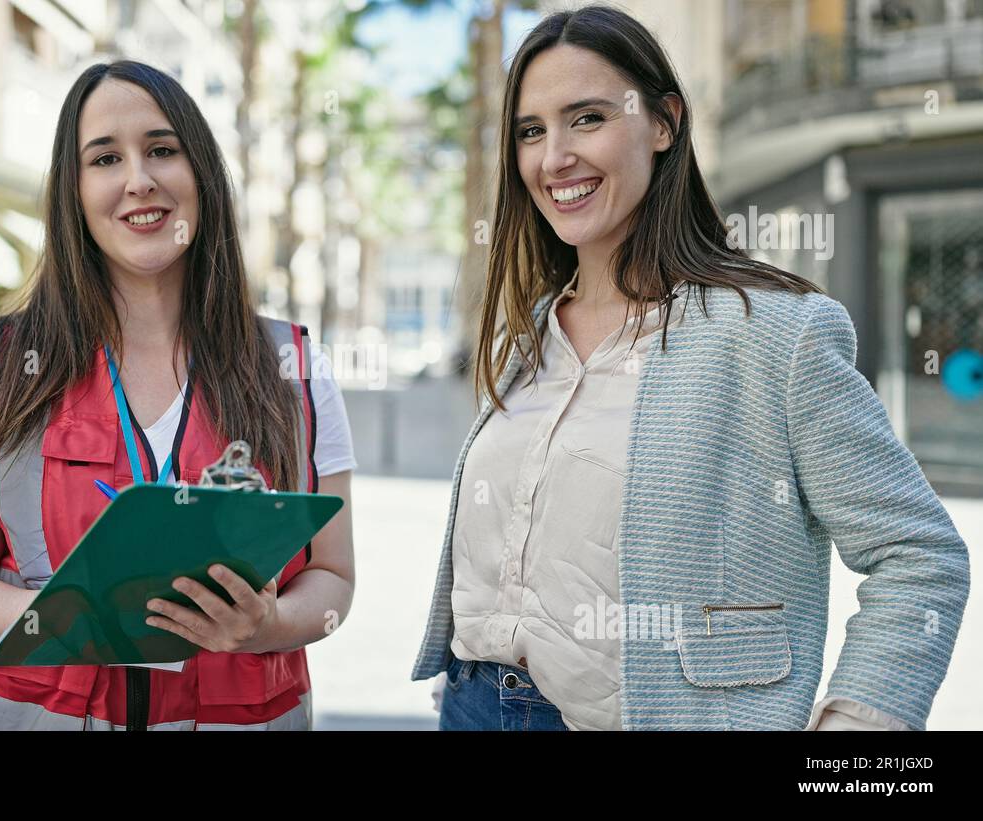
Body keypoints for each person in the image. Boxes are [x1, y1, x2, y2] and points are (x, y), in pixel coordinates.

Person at [412, 5, 969, 731]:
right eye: (531, 131)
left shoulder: (775, 333)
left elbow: (919, 554)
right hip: (475, 708)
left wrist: (854, 731)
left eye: (586, 118)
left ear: (664, 121)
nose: (554, 158)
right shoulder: (527, 339)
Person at [0, 60, 356, 731]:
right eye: (105, 157)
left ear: (201, 172)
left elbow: (334, 581)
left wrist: (264, 625)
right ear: (74, 192)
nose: (138, 179)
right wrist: (99, 617)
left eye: (163, 150)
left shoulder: (295, 367)